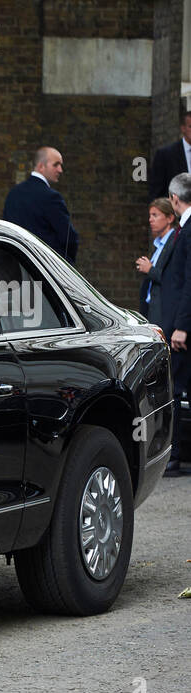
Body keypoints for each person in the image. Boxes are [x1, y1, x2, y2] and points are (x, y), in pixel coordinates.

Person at [158, 174, 191, 475]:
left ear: (174, 199)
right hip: (180, 323)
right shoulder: (184, 228)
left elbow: (189, 281)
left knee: (176, 390)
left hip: (183, 329)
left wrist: (181, 326)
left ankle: (174, 456)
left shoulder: (189, 229)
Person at [2, 147, 80, 263]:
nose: (60, 170)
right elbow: (69, 238)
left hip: (15, 269)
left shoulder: (13, 194)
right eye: (56, 165)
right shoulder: (51, 197)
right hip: (46, 269)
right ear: (41, 166)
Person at [136, 198, 176, 322]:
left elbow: (172, 278)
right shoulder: (158, 243)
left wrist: (150, 269)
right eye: (150, 215)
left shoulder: (174, 242)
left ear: (169, 218)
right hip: (151, 307)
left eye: (155, 215)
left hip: (165, 311)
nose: (150, 219)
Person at [149, 111, 191, 202]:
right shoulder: (166, 155)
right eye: (190, 126)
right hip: (175, 213)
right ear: (183, 128)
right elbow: (156, 192)